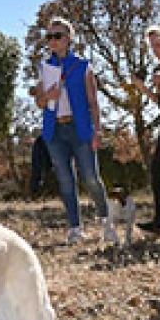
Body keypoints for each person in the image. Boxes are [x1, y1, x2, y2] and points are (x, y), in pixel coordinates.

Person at [33, 18, 116, 244]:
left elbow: (93, 101)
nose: (53, 41)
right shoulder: (45, 67)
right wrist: (46, 97)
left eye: (57, 36)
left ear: (69, 39)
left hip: (80, 129)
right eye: (49, 37)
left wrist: (97, 131)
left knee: (90, 178)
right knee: (66, 181)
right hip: (54, 131)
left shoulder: (83, 66)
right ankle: (75, 228)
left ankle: (106, 222)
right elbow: (39, 102)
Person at [134, 26, 160, 235]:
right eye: (152, 47)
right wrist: (145, 89)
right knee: (157, 169)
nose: (155, 50)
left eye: (158, 44)